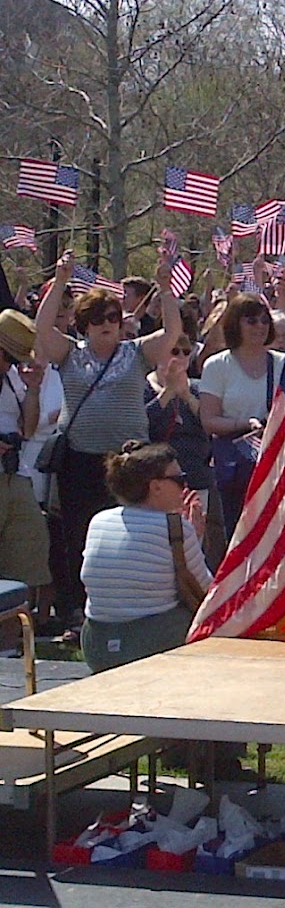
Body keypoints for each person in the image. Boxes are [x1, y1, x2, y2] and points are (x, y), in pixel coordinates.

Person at [33, 250, 182, 634]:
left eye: (113, 318)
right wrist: (61, 281)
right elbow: (42, 327)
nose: (106, 325)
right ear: (84, 324)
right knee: (77, 538)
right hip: (79, 462)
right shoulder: (69, 354)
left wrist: (164, 290)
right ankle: (76, 612)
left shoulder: (135, 354)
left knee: (131, 533)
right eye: (97, 319)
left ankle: (133, 606)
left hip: (129, 463)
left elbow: (172, 333)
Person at [79, 441, 209, 672]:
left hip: (96, 645)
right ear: (156, 487)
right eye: (179, 479)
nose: (185, 486)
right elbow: (205, 590)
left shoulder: (99, 520)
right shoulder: (174, 527)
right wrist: (195, 538)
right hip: (149, 645)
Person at [196, 297, 284, 548]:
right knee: (238, 539)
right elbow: (209, 420)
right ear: (235, 323)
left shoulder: (284, 363)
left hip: (275, 463)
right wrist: (245, 424)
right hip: (234, 469)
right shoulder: (217, 366)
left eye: (265, 320)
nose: (260, 326)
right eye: (251, 320)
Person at [0, 310, 52, 644]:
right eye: (9, 357)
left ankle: (10, 646)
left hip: (14, 475)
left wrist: (33, 389)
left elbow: (29, 429)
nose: (10, 364)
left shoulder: (14, 380)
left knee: (29, 548)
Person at [143, 333, 217, 565]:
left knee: (194, 544)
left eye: (186, 352)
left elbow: (209, 425)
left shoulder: (198, 388)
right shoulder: (142, 386)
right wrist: (167, 392)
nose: (181, 357)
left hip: (195, 477)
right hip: (158, 482)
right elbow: (143, 425)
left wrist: (185, 395)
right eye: (174, 351)